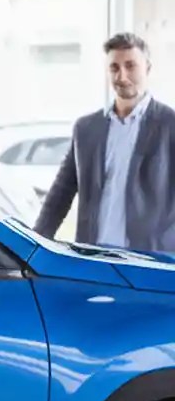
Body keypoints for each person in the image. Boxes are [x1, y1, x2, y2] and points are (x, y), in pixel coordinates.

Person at [34, 32, 175, 252]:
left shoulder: (169, 125)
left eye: (130, 66)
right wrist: (33, 245)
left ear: (147, 68)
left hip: (150, 260)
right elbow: (60, 193)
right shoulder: (86, 129)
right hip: (94, 258)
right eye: (114, 68)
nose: (122, 76)